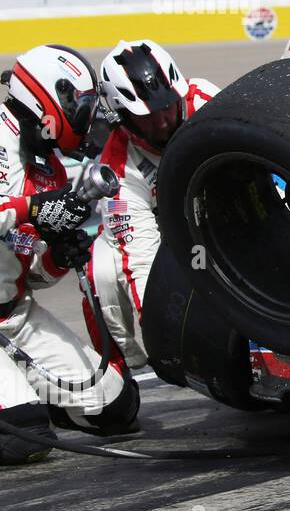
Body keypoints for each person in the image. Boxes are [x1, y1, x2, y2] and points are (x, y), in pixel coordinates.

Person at [0, 46, 138, 466]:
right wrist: (34, 210)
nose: (86, 119)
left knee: (115, 408)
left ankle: (23, 386)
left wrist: (58, 255)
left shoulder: (51, 171)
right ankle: (20, 402)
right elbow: (17, 212)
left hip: (11, 314)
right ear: (47, 101)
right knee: (24, 439)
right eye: (79, 106)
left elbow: (29, 272)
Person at [84, 41, 219, 372]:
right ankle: (119, 371)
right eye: (147, 116)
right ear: (123, 117)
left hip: (226, 209)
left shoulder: (205, 99)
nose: (162, 122)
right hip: (165, 237)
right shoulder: (117, 167)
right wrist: (165, 331)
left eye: (167, 106)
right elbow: (140, 259)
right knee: (100, 269)